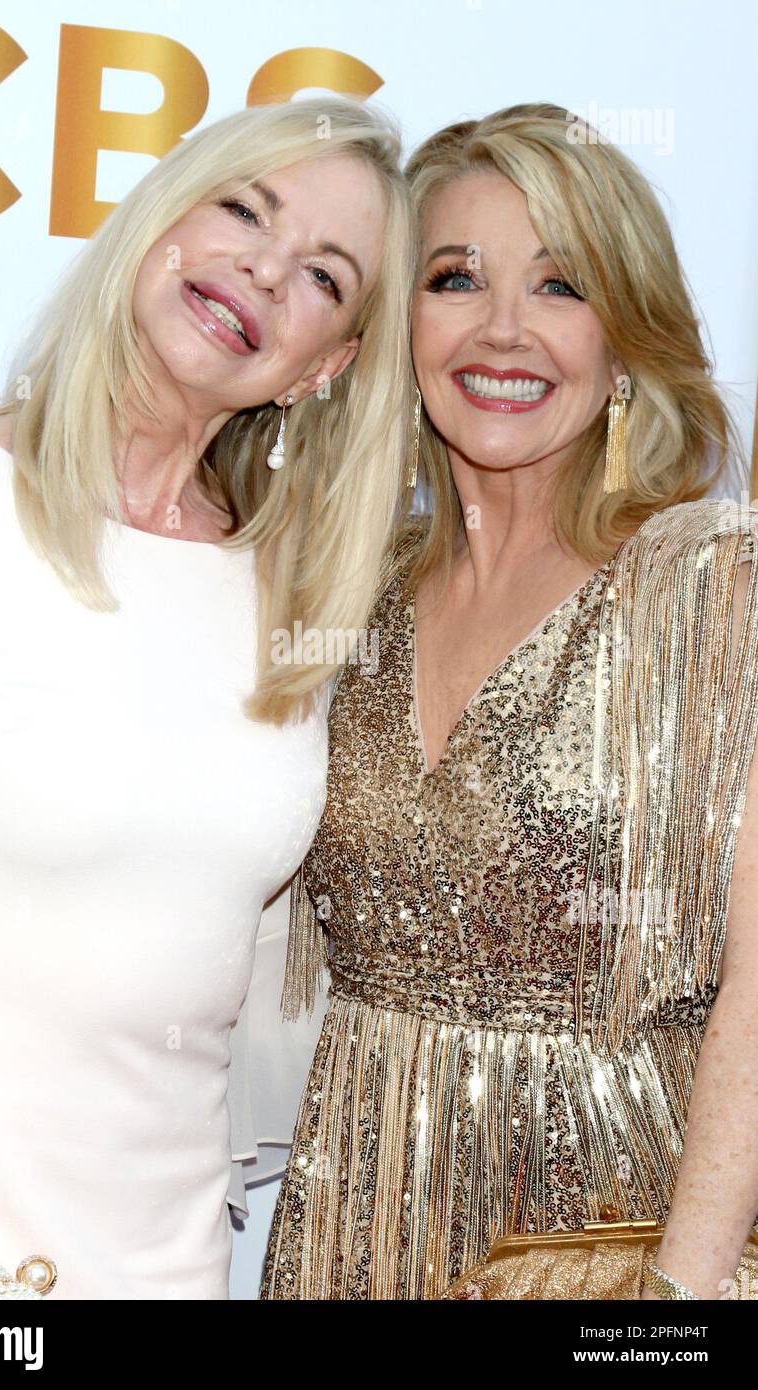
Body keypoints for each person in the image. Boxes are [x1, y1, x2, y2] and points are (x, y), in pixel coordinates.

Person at [0, 95, 414, 1299]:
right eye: (243, 208)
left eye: (324, 277)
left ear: (323, 366)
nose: (265, 269)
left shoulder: (292, 608)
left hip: (167, 1258)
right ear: (158, 225)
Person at [260, 104, 758, 1301]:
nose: (500, 329)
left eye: (559, 285)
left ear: (626, 336)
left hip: (613, 1250)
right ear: (396, 328)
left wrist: (673, 1302)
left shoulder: (714, 582)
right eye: (454, 277)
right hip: (350, 1223)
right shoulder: (346, 593)